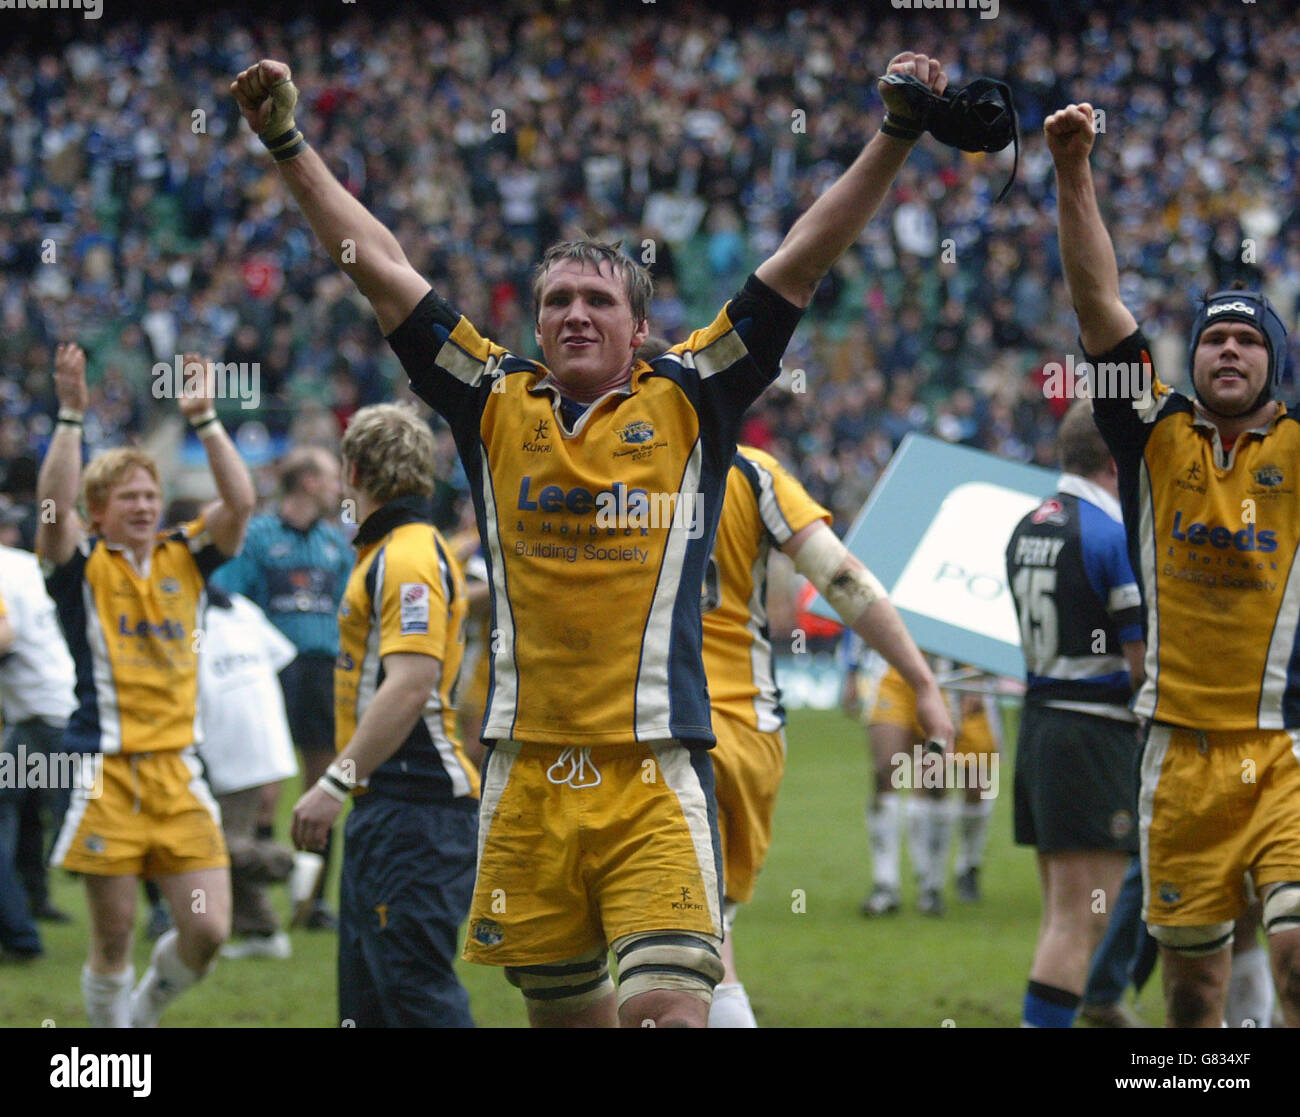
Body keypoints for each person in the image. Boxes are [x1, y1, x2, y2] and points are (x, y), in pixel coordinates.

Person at [232, 48, 954, 1028]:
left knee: (665, 1009)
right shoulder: (489, 398)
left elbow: (801, 257)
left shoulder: (695, 395)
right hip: (525, 772)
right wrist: (286, 142)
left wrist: (896, 134)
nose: (574, 314)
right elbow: (381, 269)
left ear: (641, 327)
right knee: (569, 1020)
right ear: (533, 322)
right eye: (557, 302)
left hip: (655, 768)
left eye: (597, 300)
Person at [1048, 100, 1300, 1027]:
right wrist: (1074, 170)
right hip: (1175, 753)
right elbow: (1097, 304)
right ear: (1192, 359)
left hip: (1286, 747)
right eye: (1214, 338)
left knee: (1296, 949)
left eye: (1247, 340)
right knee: (1192, 996)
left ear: (1274, 362)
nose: (1228, 349)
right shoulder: (1151, 432)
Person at [37, 344, 256, 1027]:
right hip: (108, 774)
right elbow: (51, 507)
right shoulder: (80, 565)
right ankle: (116, 1052)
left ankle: (141, 1013)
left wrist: (205, 417)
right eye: (126, 496)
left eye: (150, 494)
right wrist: (72, 415)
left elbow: (241, 500)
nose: (142, 503)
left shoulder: (184, 554)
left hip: (179, 775)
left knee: (209, 929)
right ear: (97, 512)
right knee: (112, 935)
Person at [700, 437, 952, 1027]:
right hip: (745, 728)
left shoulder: (591, 462)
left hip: (655, 730)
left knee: (674, 950)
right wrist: (922, 679)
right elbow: (841, 576)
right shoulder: (751, 472)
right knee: (702, 937)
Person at [290, 403, 480, 1027]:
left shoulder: (406, 556)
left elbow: (410, 684)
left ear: (351, 471)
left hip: (415, 809)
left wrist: (332, 783)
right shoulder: (399, 550)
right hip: (392, 807)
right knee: (370, 1003)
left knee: (414, 994)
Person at [1006, 399, 1146, 1028]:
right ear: (1117, 460)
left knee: (1060, 913)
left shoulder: (1028, 524)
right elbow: (1142, 665)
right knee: (1082, 919)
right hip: (1092, 734)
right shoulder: (1110, 534)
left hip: (1040, 727)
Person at [211, 446, 353, 930]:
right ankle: (252, 903)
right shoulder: (258, 537)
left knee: (324, 784)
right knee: (265, 791)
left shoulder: (336, 545)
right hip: (269, 674)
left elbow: (348, 612)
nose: (341, 487)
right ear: (309, 482)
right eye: (334, 477)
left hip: (322, 671)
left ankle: (313, 903)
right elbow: (228, 597)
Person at [195, 581, 300, 961]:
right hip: (264, 731)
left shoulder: (184, 615)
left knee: (214, 844)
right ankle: (263, 930)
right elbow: (282, 654)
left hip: (229, 741)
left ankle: (288, 865)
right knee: (227, 836)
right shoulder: (240, 605)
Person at [851, 654, 997, 917]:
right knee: (885, 770)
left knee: (946, 781)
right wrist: (851, 669)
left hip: (951, 672)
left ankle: (937, 881)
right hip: (896, 668)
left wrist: (979, 671)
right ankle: (885, 884)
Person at [0, 537, 76, 944]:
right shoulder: (22, 562)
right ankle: (24, 919)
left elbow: (4, 636)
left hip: (41, 716)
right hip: (55, 705)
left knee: (88, 818)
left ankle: (20, 933)